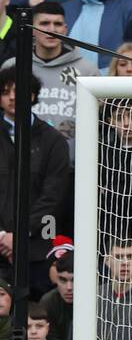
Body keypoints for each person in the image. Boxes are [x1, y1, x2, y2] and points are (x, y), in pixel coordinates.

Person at [0, 70, 70, 295]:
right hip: (0, 248)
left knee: (38, 321)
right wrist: (3, 236)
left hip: (38, 251)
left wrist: (19, 234)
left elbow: (53, 196)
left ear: (32, 95)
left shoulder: (53, 141)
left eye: (18, 91)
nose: (12, 97)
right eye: (5, 92)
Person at [20, 3, 98, 154]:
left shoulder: (87, 70)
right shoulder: (15, 67)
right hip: (21, 165)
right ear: (32, 29)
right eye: (44, 23)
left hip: (73, 166)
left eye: (58, 24)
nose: (52, 29)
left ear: (65, 29)